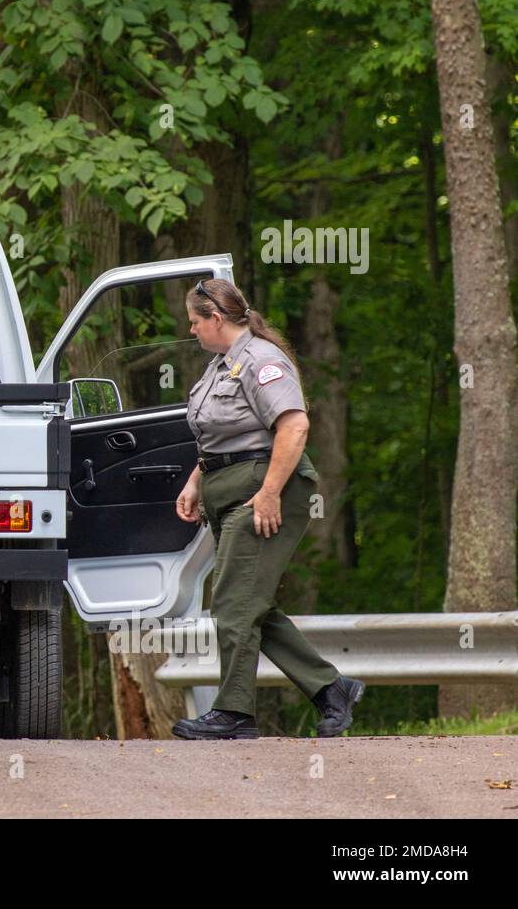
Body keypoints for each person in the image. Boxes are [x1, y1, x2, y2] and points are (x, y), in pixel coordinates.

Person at [171, 278, 364, 739]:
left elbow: (294, 427)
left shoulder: (262, 360)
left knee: (232, 603)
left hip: (261, 494)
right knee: (248, 601)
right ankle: (331, 689)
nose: (192, 331)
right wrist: (196, 481)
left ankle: (234, 714)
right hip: (230, 489)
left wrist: (271, 492)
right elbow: (225, 436)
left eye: (196, 322)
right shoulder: (220, 367)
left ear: (216, 319)